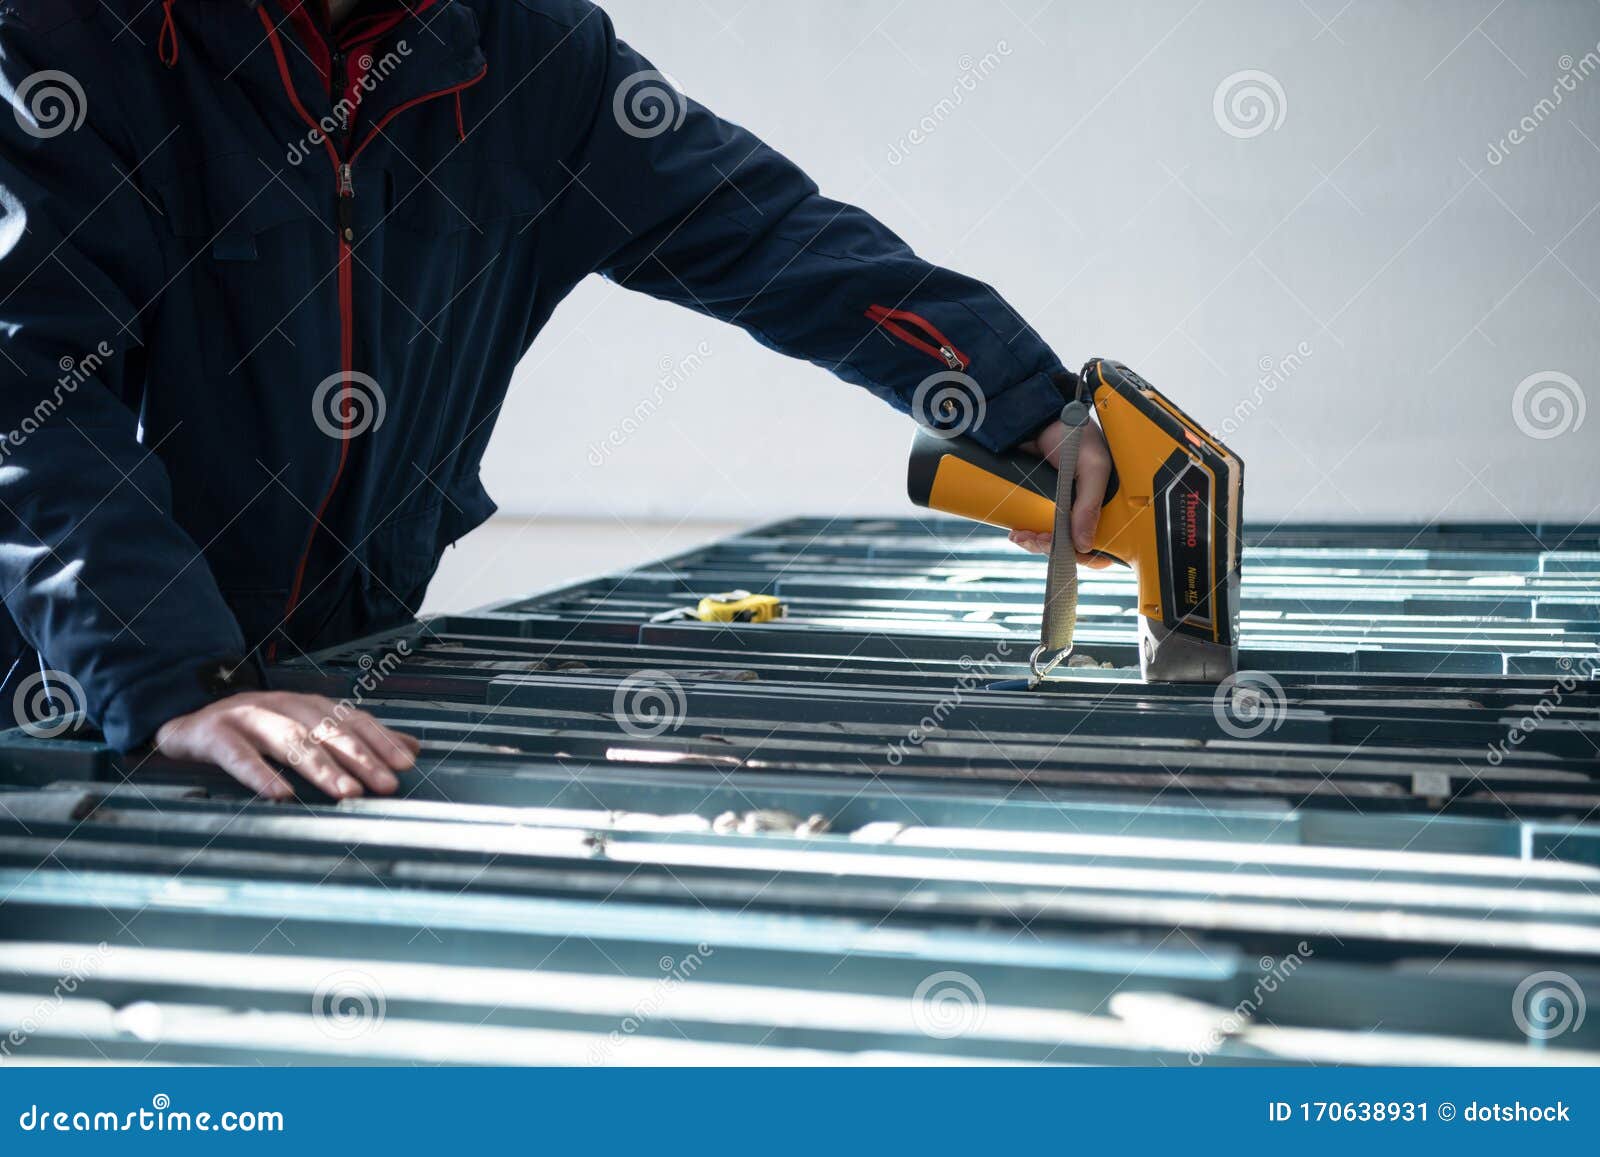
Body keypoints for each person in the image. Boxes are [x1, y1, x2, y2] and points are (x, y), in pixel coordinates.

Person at [0, 0, 1110, 799]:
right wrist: (168, 675)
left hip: (332, 682)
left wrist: (1017, 406)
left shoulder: (531, 57)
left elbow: (764, 232)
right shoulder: (60, 43)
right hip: (55, 695)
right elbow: (27, 388)